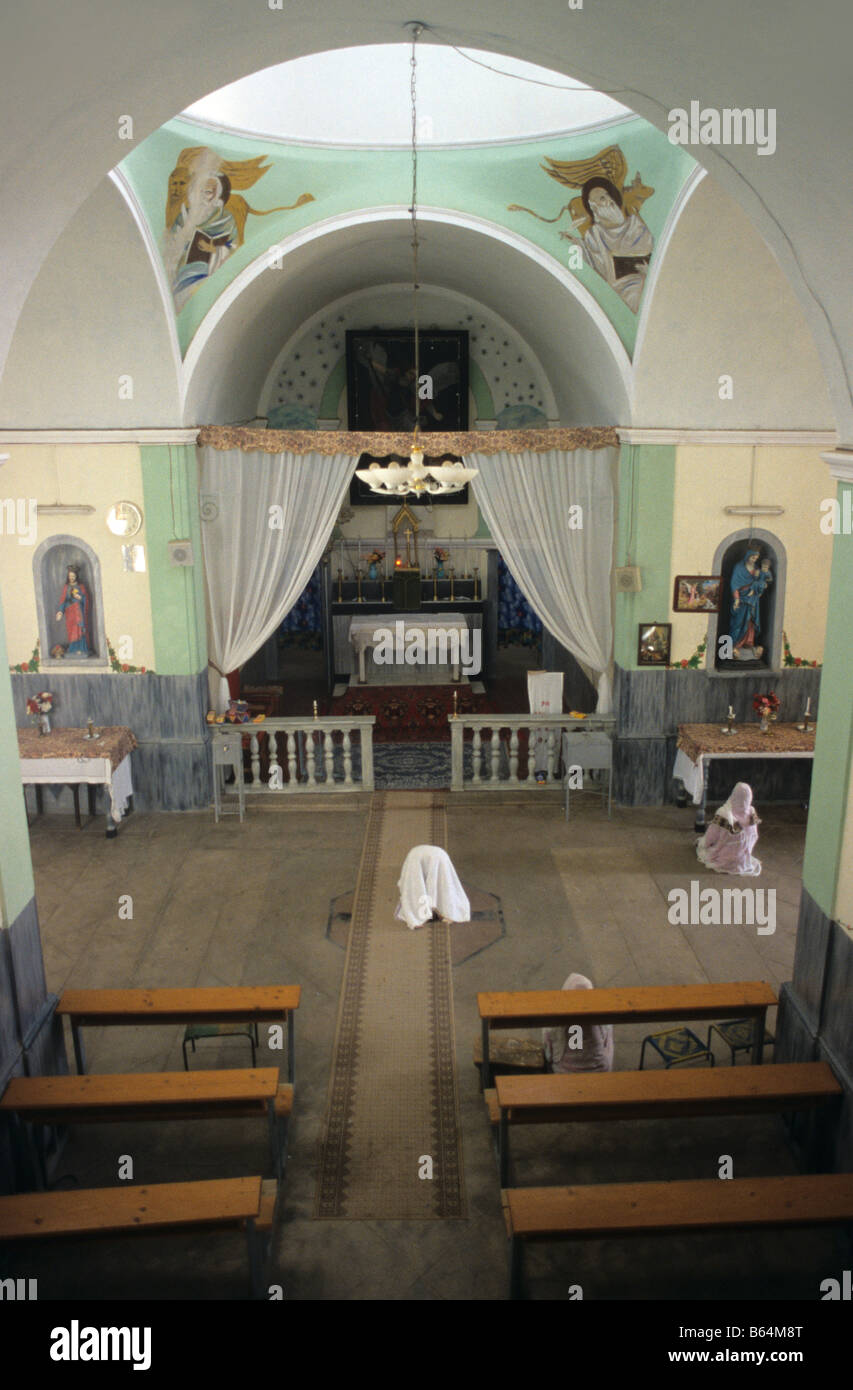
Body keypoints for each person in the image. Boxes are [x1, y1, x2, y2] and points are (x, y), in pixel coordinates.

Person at [542, 972, 614, 1072]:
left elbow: (548, 1052)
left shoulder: (554, 1023)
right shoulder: (603, 1018)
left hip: (564, 1072)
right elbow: (607, 1042)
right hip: (599, 1070)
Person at [395, 845, 470, 930]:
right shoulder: (440, 857)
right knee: (440, 884)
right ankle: (443, 911)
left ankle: (421, 913)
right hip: (424, 856)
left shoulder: (440, 858)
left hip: (430, 855)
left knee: (416, 885)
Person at [696, 781, 762, 876]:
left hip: (723, 858)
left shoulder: (724, 814)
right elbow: (754, 836)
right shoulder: (752, 812)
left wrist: (703, 844)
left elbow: (711, 836)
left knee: (703, 846)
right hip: (743, 859)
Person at [728, 547, 773, 660]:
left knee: (750, 622)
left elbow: (763, 580)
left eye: (757, 557)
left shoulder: (757, 568)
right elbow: (734, 584)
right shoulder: (739, 568)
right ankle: (734, 646)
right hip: (742, 599)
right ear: (748, 555)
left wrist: (762, 586)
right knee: (738, 622)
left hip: (753, 599)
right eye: (753, 556)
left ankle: (748, 643)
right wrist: (737, 599)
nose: (755, 559)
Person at [55, 564, 91, 657]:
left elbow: (86, 599)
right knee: (71, 631)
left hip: (79, 611)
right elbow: (63, 600)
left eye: (73, 576)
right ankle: (73, 649)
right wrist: (60, 611)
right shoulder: (66, 587)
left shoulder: (81, 586)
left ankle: (81, 648)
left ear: (76, 576)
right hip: (70, 612)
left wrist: (80, 597)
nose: (71, 578)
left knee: (79, 629)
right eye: (70, 576)